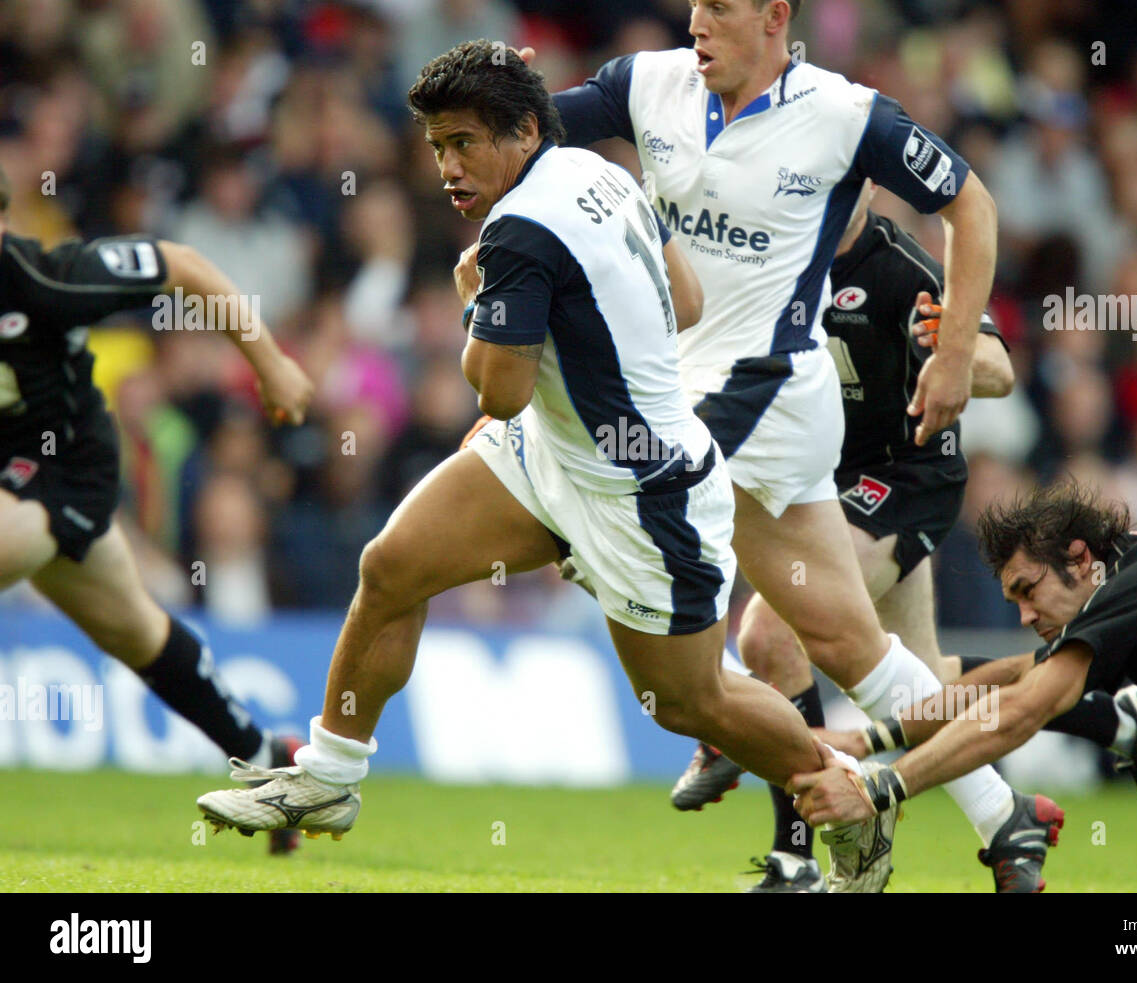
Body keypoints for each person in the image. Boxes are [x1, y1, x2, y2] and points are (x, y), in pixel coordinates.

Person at [194, 42, 886, 868]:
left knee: (687, 699)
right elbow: (688, 301)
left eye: (464, 143)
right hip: (555, 453)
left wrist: (478, 305)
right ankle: (327, 774)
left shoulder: (520, 231)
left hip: (644, 492)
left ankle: (848, 793)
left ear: (523, 131)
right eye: (438, 146)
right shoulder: (600, 172)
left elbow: (497, 392)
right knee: (392, 565)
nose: (449, 166)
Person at [527, 0, 1045, 893]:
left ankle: (717, 716)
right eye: (692, 5)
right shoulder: (648, 85)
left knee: (613, 491)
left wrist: (957, 347)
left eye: (719, 8)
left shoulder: (845, 114)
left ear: (775, 17)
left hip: (761, 391)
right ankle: (1007, 823)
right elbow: (528, 130)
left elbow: (973, 204)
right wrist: (481, 107)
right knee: (853, 649)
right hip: (721, 399)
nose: (697, 22)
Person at [672, 189, 1137, 891]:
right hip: (819, 484)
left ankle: (797, 855)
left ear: (863, 180)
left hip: (904, 477)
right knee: (922, 689)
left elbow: (1001, 369)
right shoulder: (771, 255)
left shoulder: (901, 269)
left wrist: (949, 349)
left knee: (775, 630)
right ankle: (1114, 719)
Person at [0, 163, 314, 854]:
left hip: (61, 474)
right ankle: (271, 755)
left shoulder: (46, 278)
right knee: (138, 632)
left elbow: (186, 264)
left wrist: (271, 365)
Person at [789, 481, 1137, 893]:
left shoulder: (1131, 586)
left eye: (1028, 591)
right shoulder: (1119, 578)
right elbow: (1015, 676)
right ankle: (1130, 725)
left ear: (1078, 558)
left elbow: (1019, 710)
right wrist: (868, 741)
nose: (1025, 614)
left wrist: (881, 788)